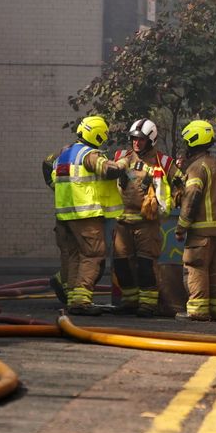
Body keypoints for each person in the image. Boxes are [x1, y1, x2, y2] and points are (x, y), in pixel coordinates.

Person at [43, 115, 127, 316]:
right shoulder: (89, 155)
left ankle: (73, 298)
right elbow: (109, 170)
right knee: (93, 255)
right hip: (85, 217)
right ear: (98, 135)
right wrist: (123, 163)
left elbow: (46, 166)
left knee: (74, 257)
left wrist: (54, 187)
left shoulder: (63, 155)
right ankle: (81, 301)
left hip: (64, 218)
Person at [110, 118, 174, 316]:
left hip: (147, 224)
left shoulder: (163, 161)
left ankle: (148, 304)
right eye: (134, 139)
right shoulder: (121, 157)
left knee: (146, 265)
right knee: (121, 265)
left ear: (151, 140)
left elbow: (180, 183)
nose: (136, 143)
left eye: (141, 139)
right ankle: (129, 301)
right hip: (122, 222)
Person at [174, 119, 216, 322]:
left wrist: (181, 227)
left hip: (201, 233)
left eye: (187, 142)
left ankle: (197, 311)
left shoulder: (197, 168)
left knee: (196, 269)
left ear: (193, 141)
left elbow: (192, 198)